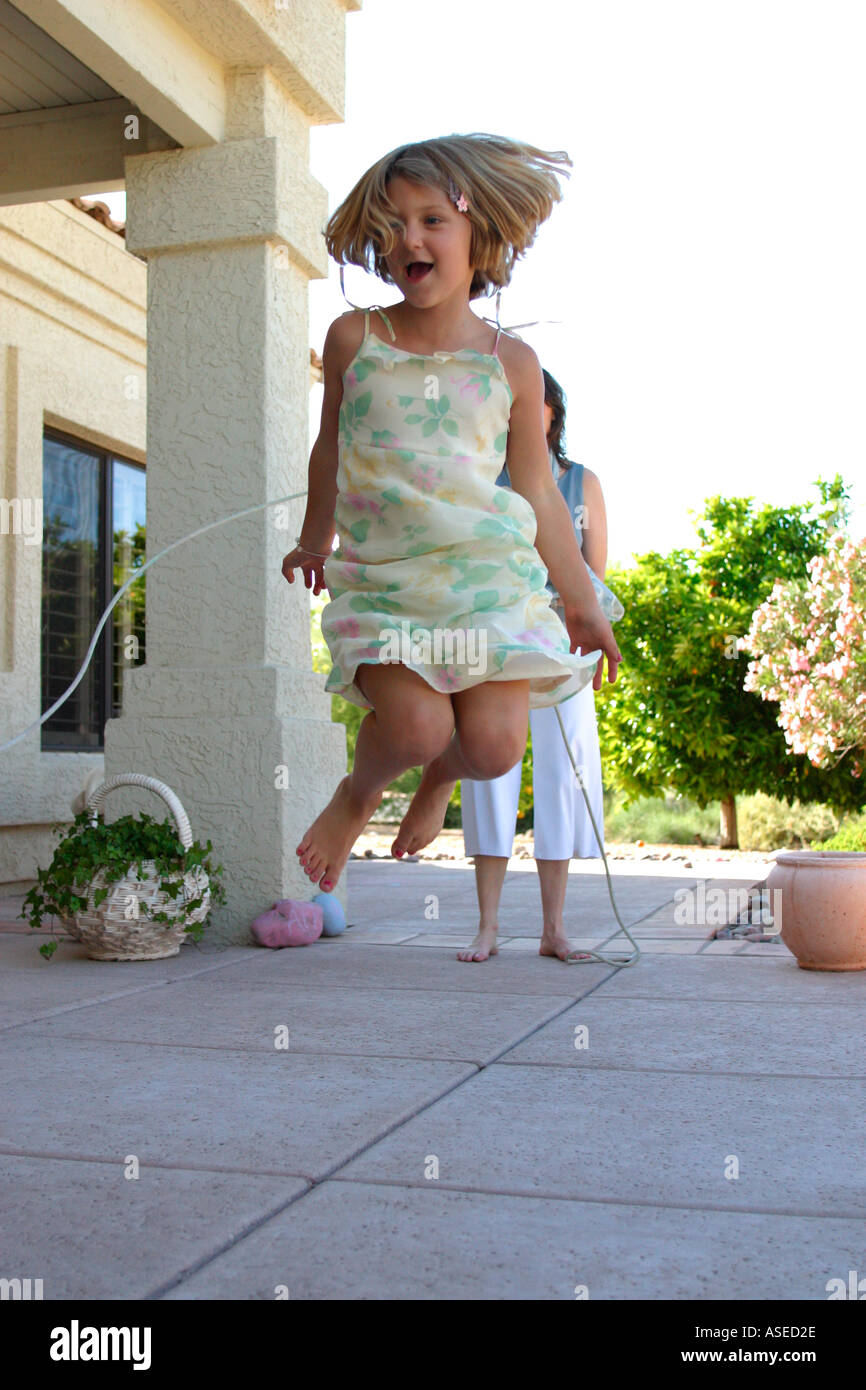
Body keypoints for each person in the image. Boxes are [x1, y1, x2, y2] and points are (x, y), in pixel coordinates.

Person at [282, 134, 623, 895]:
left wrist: (582, 602)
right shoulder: (355, 339)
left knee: (496, 749)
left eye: (432, 219)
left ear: (478, 235)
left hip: (486, 581)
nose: (410, 237)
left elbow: (536, 494)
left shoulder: (511, 363)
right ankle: (358, 793)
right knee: (416, 724)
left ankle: (438, 782)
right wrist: (314, 538)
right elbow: (328, 448)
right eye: (395, 223)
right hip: (387, 577)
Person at [459, 368, 618, 962]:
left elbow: (594, 577)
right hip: (497, 642)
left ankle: (554, 930)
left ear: (552, 412)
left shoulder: (583, 483)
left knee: (562, 776)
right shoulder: (481, 479)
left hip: (566, 647)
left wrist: (598, 641)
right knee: (489, 775)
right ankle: (489, 926)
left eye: (534, 403)